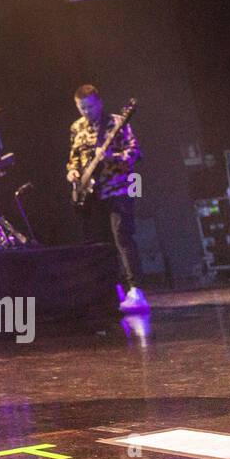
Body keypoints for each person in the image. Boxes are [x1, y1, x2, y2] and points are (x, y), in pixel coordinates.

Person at [66, 86, 146, 313]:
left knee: (123, 236)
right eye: (82, 108)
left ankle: (136, 290)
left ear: (99, 103)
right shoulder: (76, 127)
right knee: (100, 243)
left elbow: (135, 153)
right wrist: (71, 172)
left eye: (90, 106)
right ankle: (112, 288)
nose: (87, 111)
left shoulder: (117, 122)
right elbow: (73, 158)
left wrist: (112, 157)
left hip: (119, 188)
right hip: (91, 194)